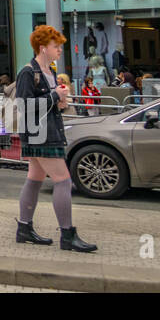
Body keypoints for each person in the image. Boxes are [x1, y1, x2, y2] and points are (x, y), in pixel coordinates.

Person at [15, 25, 97, 252]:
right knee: (63, 180)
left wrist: (59, 104)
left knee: (35, 178)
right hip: (42, 135)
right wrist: (54, 96)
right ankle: (67, 234)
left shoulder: (48, 72)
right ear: (43, 48)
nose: (60, 50)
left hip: (43, 132)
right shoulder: (28, 72)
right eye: (56, 46)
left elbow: (42, 106)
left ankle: (24, 228)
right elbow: (24, 105)